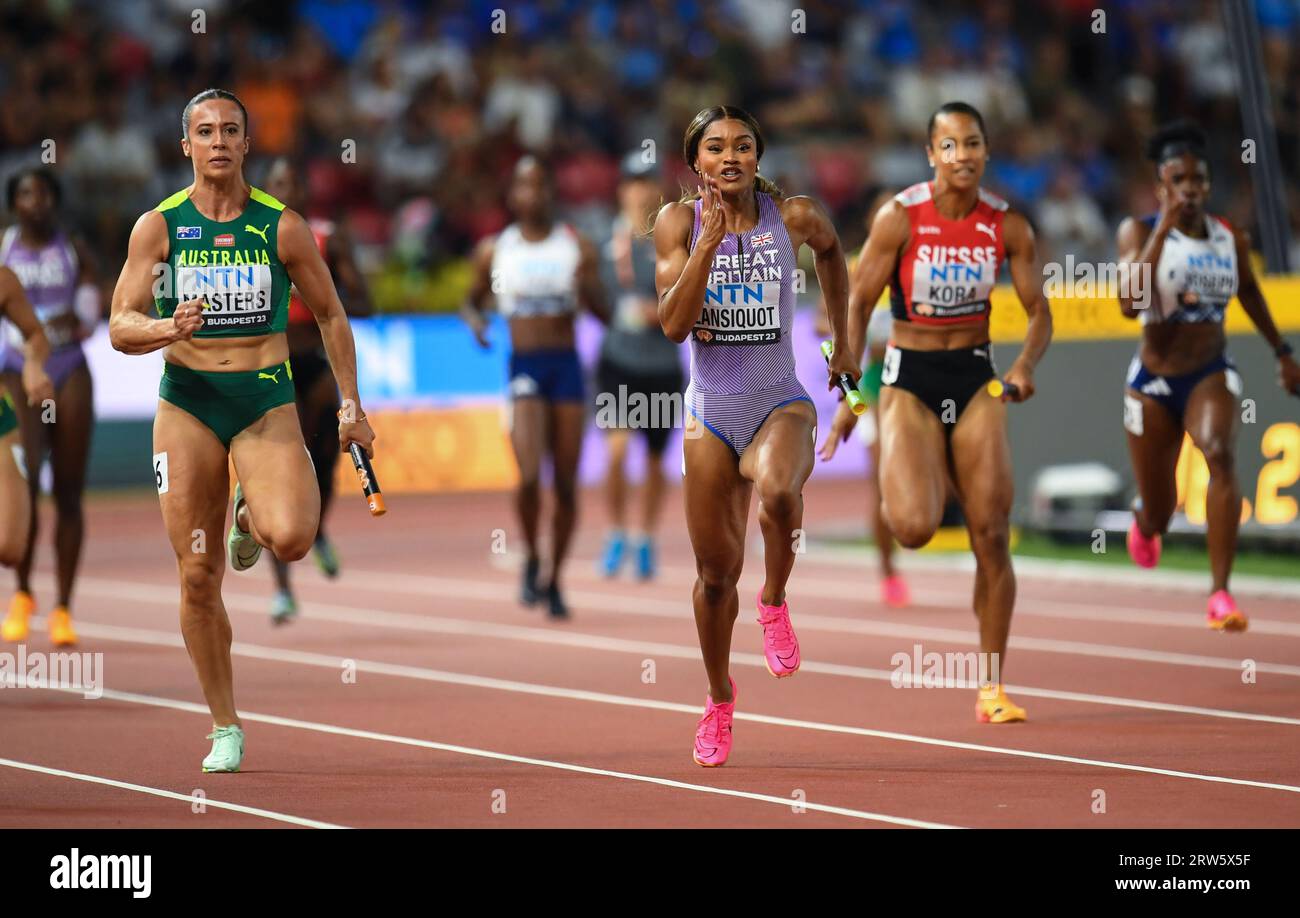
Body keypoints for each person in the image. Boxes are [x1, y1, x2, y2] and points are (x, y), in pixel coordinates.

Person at [108, 89, 374, 772]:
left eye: (231, 129)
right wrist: (170, 325)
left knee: (291, 538)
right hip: (190, 403)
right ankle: (225, 724)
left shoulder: (280, 227)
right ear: (185, 145)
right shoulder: (158, 228)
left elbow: (332, 315)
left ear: (247, 143)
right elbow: (119, 325)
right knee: (198, 575)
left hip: (263, 398)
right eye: (205, 131)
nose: (219, 140)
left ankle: (250, 510)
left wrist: (350, 406)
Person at [826, 101, 1052, 723]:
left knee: (992, 534)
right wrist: (851, 392)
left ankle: (991, 687)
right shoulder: (900, 217)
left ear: (985, 150)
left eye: (972, 143)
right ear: (931, 155)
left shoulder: (1008, 227)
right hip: (908, 378)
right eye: (948, 146)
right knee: (915, 527)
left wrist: (1025, 366)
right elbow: (854, 299)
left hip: (975, 376)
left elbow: (1040, 314)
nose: (962, 156)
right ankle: (917, 482)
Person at [654, 106, 856, 766]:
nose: (731, 156)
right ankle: (718, 698)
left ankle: (773, 601)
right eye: (716, 148)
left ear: (759, 157)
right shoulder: (676, 224)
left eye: (743, 145)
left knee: (776, 489)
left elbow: (832, 252)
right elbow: (673, 325)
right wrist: (706, 247)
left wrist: (845, 341)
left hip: (780, 400)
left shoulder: (791, 219)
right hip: (710, 411)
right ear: (697, 163)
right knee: (715, 578)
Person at [1117, 121, 1299, 631]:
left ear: (1208, 185)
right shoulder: (1137, 230)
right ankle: (1145, 520)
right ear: (1161, 188)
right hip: (1152, 382)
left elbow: (1250, 292)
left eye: (1197, 179)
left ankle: (1220, 593)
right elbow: (1130, 303)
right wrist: (1161, 229)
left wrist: (1282, 350)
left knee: (1218, 452)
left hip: (1209, 371)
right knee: (1161, 506)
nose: (1189, 189)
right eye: (1177, 180)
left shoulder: (1228, 237)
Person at [462, 156, 608, 619]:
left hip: (566, 366)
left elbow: (604, 312)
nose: (533, 194)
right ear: (514, 196)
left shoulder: (575, 245)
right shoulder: (496, 249)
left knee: (565, 485)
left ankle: (556, 579)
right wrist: (477, 323)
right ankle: (530, 553)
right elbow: (471, 300)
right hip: (524, 365)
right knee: (528, 476)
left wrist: (592, 288)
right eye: (524, 186)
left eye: (541, 185)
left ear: (551, 193)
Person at [261, 157, 374, 624]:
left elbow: (364, 303)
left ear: (306, 192)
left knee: (325, 461)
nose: (286, 192)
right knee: (280, 471)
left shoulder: (326, 237)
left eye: (293, 184)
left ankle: (320, 529)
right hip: (271, 367)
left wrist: (335, 280)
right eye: (277, 185)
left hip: (315, 361)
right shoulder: (253, 236)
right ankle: (283, 589)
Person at [0, 168, 99, 647]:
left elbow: (97, 297)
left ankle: (62, 606)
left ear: (54, 201)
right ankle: (22, 593)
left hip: (67, 364)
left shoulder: (72, 245)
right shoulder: (5, 249)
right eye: (23, 194)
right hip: (17, 370)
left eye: (41, 194)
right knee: (26, 480)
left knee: (69, 490)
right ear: (13, 203)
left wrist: (79, 314)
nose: (33, 202)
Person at [817, 188, 909, 607]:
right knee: (883, 484)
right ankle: (888, 572)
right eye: (885, 212)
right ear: (874, 220)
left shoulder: (917, 266)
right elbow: (825, 316)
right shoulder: (854, 265)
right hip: (872, 384)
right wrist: (841, 338)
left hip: (914, 379)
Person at [595, 153, 683, 581]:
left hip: (663, 364)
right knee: (615, 452)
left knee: (652, 461)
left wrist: (662, 312)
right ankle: (615, 532)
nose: (640, 190)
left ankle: (646, 536)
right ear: (622, 190)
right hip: (619, 362)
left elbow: (687, 292)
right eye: (633, 182)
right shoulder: (605, 240)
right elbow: (593, 294)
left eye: (648, 182)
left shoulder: (671, 236)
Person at [0, 267, 54, 578]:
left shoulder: (4, 280)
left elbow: (36, 334)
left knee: (10, 547)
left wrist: (33, 364)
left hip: (2, 417)